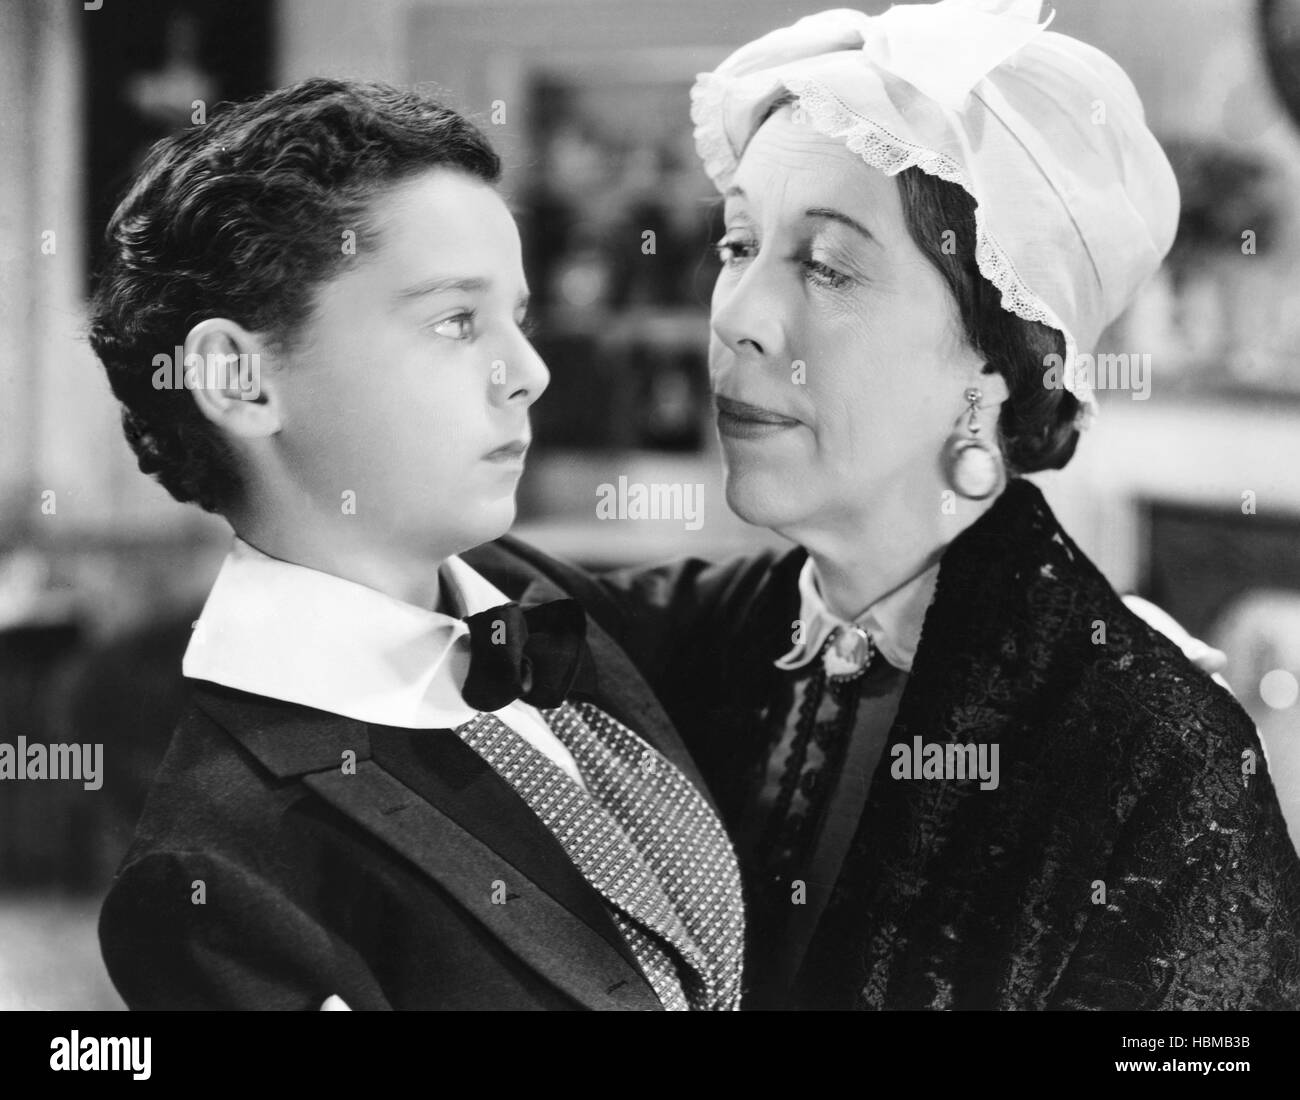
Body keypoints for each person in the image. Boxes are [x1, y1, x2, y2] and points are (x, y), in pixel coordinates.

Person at [583, 1, 1300, 1009]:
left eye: (826, 265)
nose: (738, 318)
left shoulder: (1155, 760)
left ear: (1002, 365)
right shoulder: (697, 634)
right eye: (737, 245)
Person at [89, 79, 744, 1011]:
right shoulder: (221, 877)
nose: (530, 372)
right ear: (239, 379)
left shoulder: (535, 595)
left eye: (514, 318)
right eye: (454, 320)